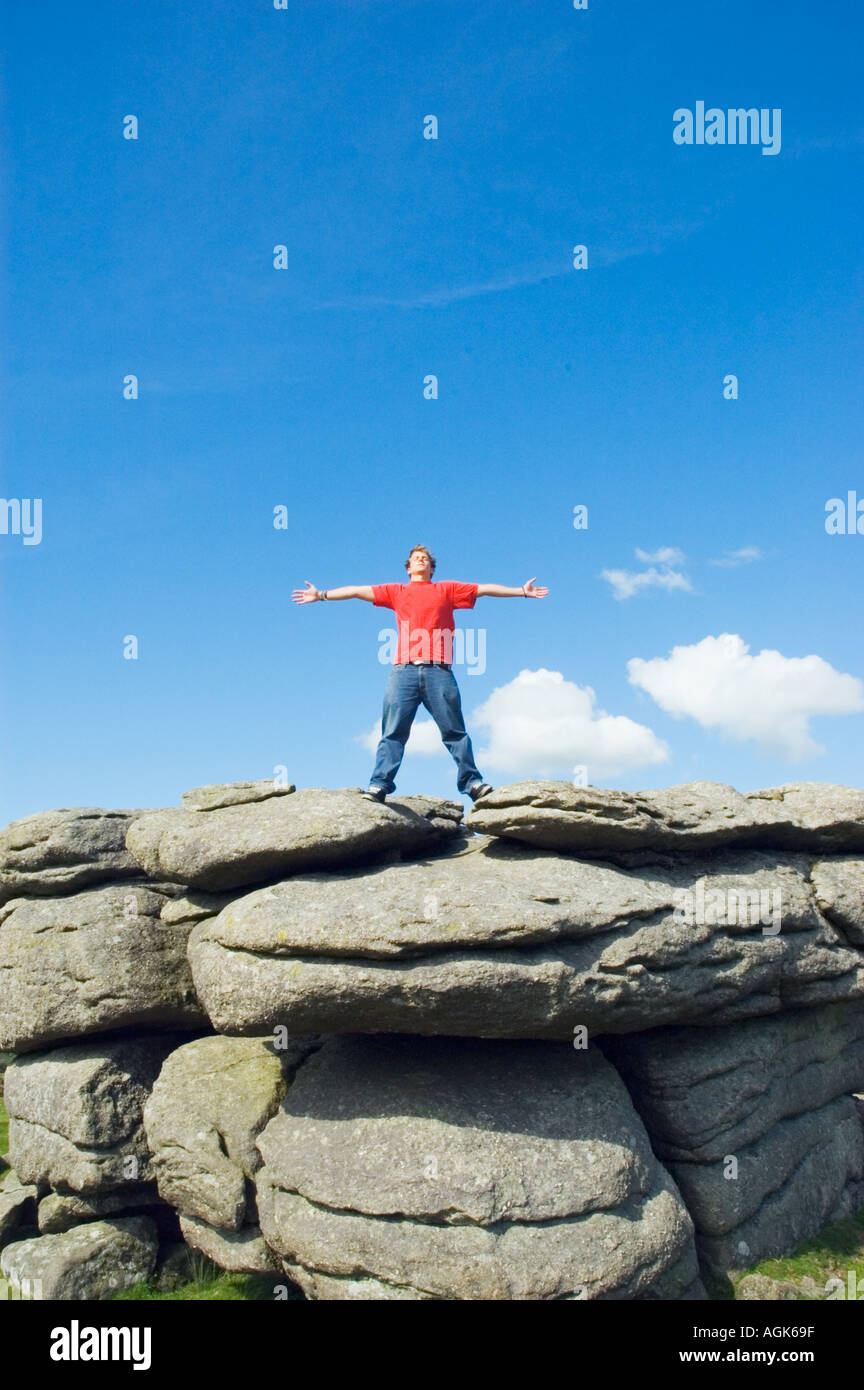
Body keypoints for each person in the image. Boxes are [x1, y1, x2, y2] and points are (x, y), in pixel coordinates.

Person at [292, 544, 549, 802]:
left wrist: (521, 592)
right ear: (408, 567)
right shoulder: (397, 591)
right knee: (393, 732)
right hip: (403, 671)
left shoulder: (446, 589)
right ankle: (379, 785)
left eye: (424, 558)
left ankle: (472, 783)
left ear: (431, 568)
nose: (420, 560)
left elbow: (483, 589)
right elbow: (358, 591)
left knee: (455, 732)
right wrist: (322, 594)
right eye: (415, 558)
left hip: (439, 671)